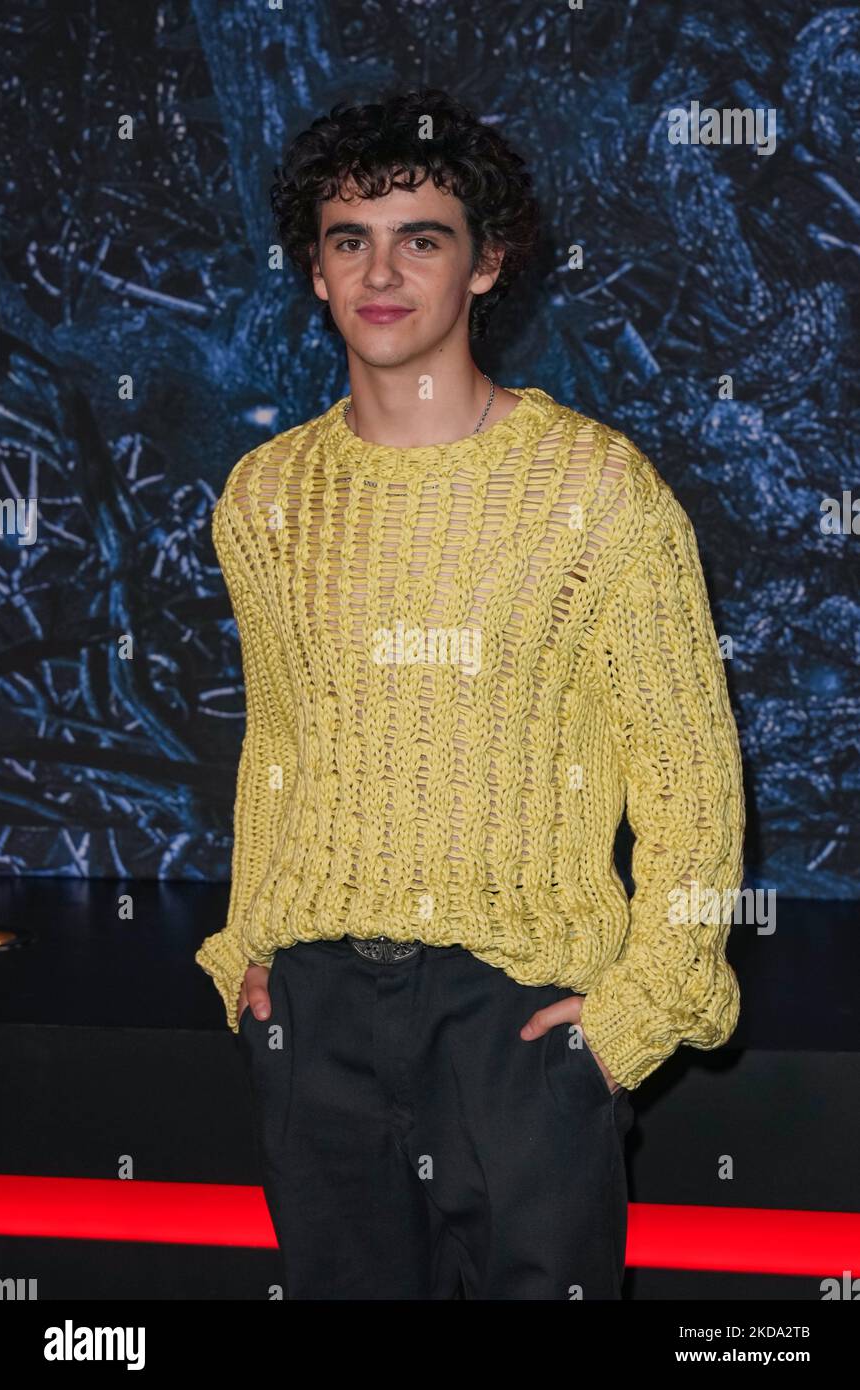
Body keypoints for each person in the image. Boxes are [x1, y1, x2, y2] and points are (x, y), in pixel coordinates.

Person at [196, 87, 746, 1300]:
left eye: (421, 238)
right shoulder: (265, 499)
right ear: (315, 272)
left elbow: (691, 785)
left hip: (518, 1019)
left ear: (485, 265)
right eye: (350, 239)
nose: (380, 271)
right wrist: (250, 953)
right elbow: (276, 746)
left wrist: (634, 1019)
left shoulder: (598, 493)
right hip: (315, 1009)